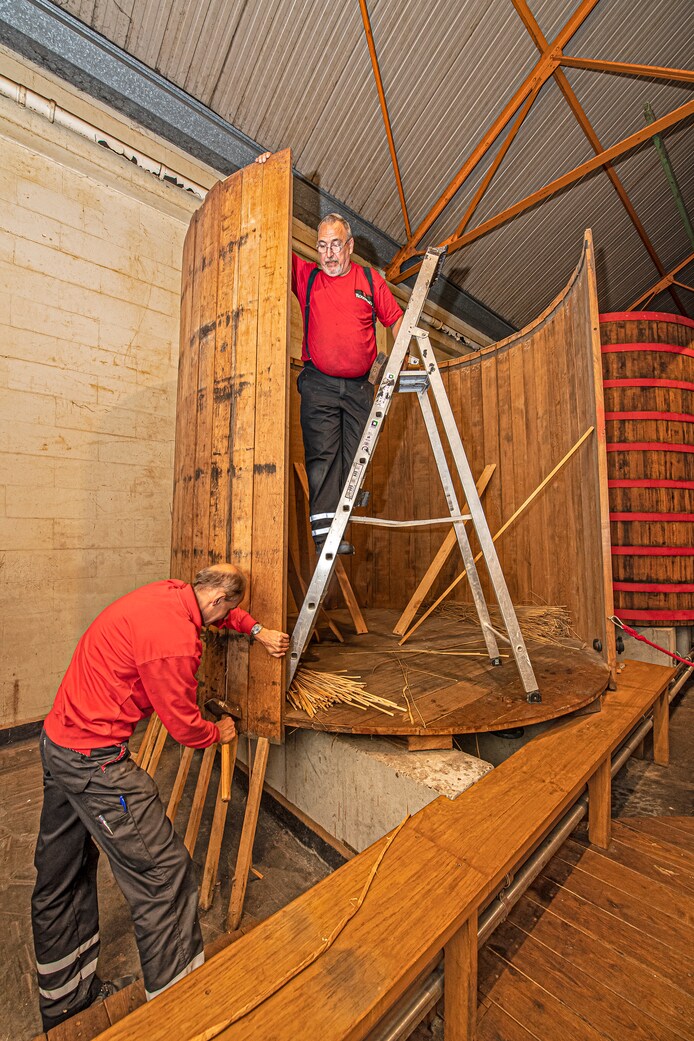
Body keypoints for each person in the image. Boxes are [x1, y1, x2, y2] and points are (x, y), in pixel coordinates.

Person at [31, 564, 289, 1030]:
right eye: (225, 610)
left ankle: (69, 1003)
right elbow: (183, 727)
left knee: (62, 873)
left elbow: (217, 614)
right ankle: (179, 1015)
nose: (220, 619)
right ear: (215, 599)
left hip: (58, 742)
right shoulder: (176, 641)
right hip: (96, 765)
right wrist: (218, 730)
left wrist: (255, 629)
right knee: (165, 875)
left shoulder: (168, 594)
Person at [257, 151, 403, 554]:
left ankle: (345, 514)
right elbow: (269, 242)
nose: (329, 253)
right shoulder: (306, 277)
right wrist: (265, 178)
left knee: (357, 456)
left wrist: (397, 360)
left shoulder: (371, 281)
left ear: (350, 246)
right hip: (319, 383)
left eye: (336, 245)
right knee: (323, 455)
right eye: (322, 246)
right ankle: (326, 535)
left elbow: (397, 322)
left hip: (359, 388)